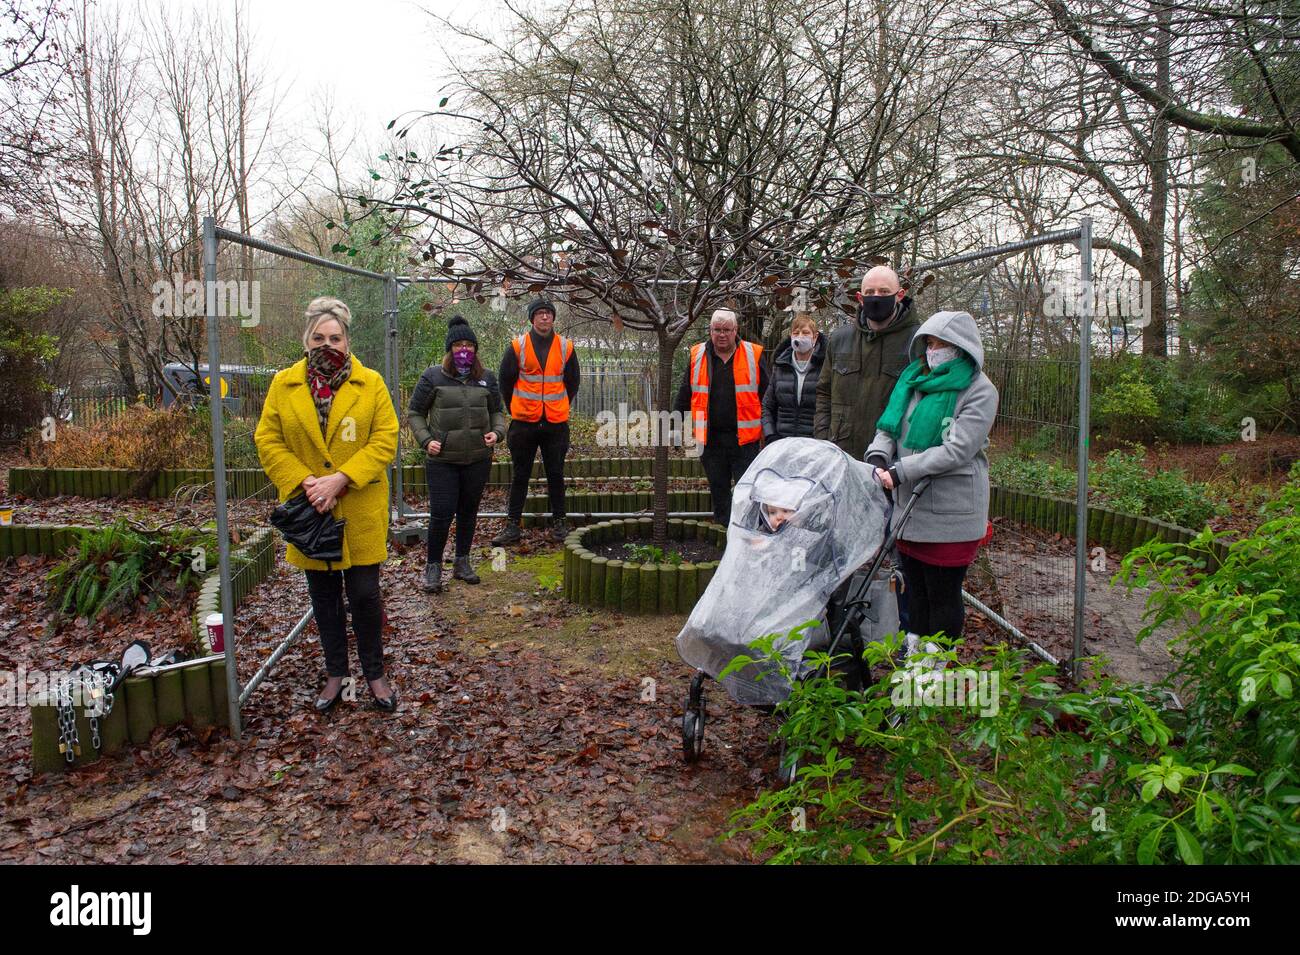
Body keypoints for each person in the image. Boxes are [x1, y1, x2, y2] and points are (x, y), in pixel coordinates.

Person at [255, 297, 400, 713]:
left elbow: (385, 439)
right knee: (324, 597)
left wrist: (341, 478)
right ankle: (336, 672)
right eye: (319, 337)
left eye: (335, 337)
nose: (327, 344)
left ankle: (374, 673)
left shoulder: (370, 383)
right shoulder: (284, 384)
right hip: (311, 511)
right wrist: (305, 481)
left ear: (347, 341)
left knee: (366, 595)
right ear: (306, 340)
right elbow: (268, 439)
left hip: (358, 508)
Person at [864, 310, 998, 646]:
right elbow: (888, 426)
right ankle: (916, 652)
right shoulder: (914, 380)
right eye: (928, 343)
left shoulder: (979, 390)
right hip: (908, 507)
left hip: (950, 512)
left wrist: (900, 470)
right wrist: (879, 455)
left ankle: (938, 662)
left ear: (960, 347)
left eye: (939, 344)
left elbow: (957, 450)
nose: (931, 350)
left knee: (942, 593)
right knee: (915, 589)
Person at [407, 315, 507, 594]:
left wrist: (497, 433)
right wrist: (426, 440)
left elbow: (498, 411)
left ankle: (462, 562)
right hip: (443, 461)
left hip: (478, 458)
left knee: (468, 511)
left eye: (469, 344)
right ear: (449, 348)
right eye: (458, 344)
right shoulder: (433, 376)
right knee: (441, 513)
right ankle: (433, 566)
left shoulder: (486, 378)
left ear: (476, 349)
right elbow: (415, 412)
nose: (464, 349)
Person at [492, 297, 581, 545]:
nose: (545, 317)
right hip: (524, 424)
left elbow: (572, 382)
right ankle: (512, 526)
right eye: (540, 313)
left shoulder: (566, 347)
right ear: (532, 318)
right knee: (520, 474)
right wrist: (517, 408)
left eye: (548, 313)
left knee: (556, 474)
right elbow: (505, 383)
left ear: (553, 318)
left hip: (555, 424)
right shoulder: (517, 346)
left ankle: (560, 524)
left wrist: (558, 405)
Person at [815, 265, 919, 460]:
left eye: (884, 291)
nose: (876, 297)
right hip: (841, 453)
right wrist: (823, 439)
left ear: (900, 295)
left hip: (893, 459)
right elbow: (823, 392)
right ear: (860, 298)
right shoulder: (839, 339)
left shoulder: (918, 341)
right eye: (870, 292)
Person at [762, 312, 826, 442]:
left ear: (815, 337)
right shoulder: (780, 367)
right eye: (796, 333)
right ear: (791, 336)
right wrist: (770, 434)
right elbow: (767, 406)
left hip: (814, 443)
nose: (800, 337)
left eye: (806, 333)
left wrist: (824, 438)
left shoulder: (825, 367)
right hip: (782, 441)